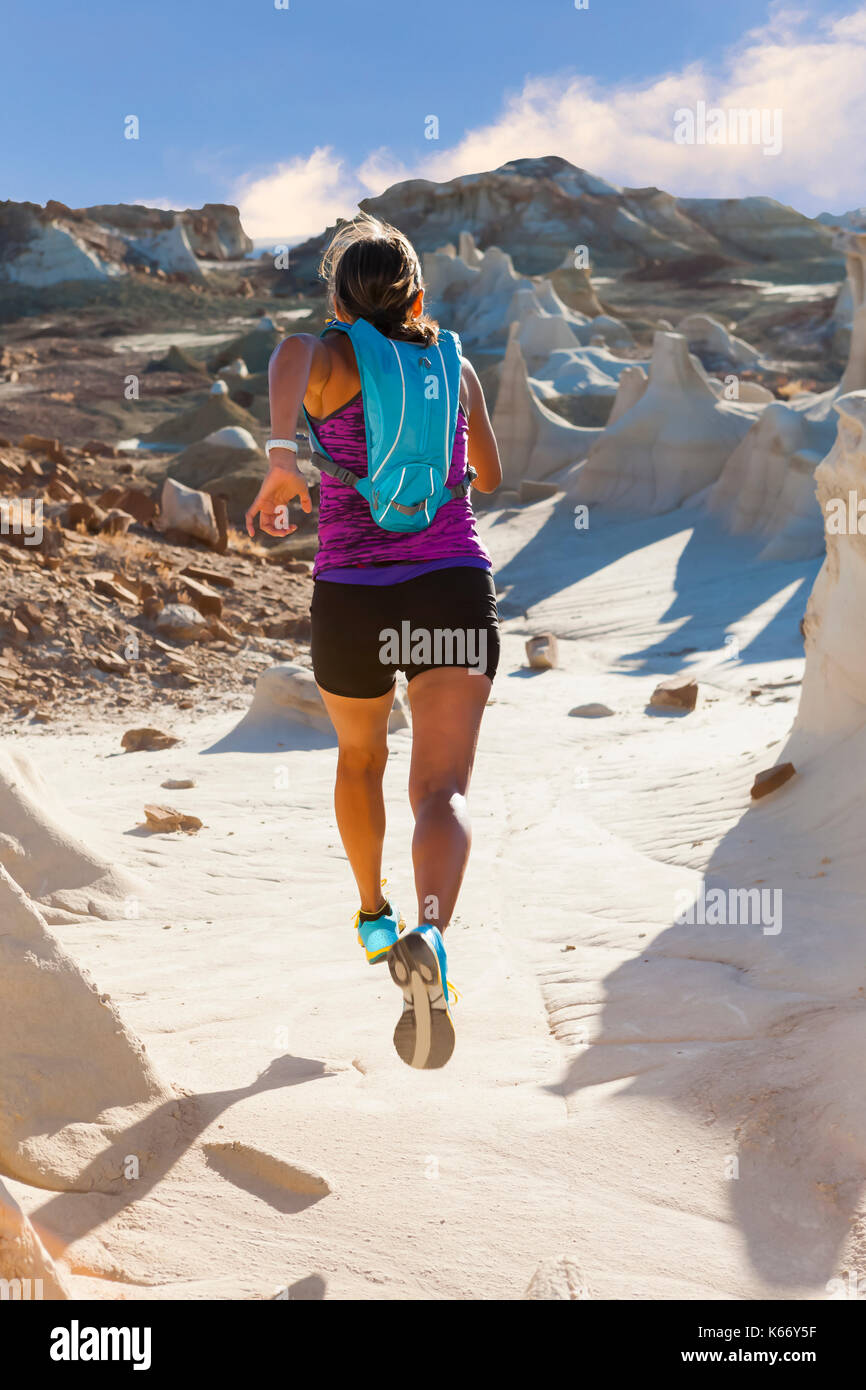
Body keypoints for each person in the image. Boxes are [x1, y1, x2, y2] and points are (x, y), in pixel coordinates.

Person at [246, 214, 502, 1069]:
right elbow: (490, 477)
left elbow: (286, 352)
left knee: (361, 760)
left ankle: (372, 912)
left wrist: (286, 454)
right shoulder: (453, 364)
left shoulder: (329, 358)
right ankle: (431, 931)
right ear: (419, 295)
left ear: (338, 300)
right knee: (444, 790)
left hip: (353, 597)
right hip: (452, 588)